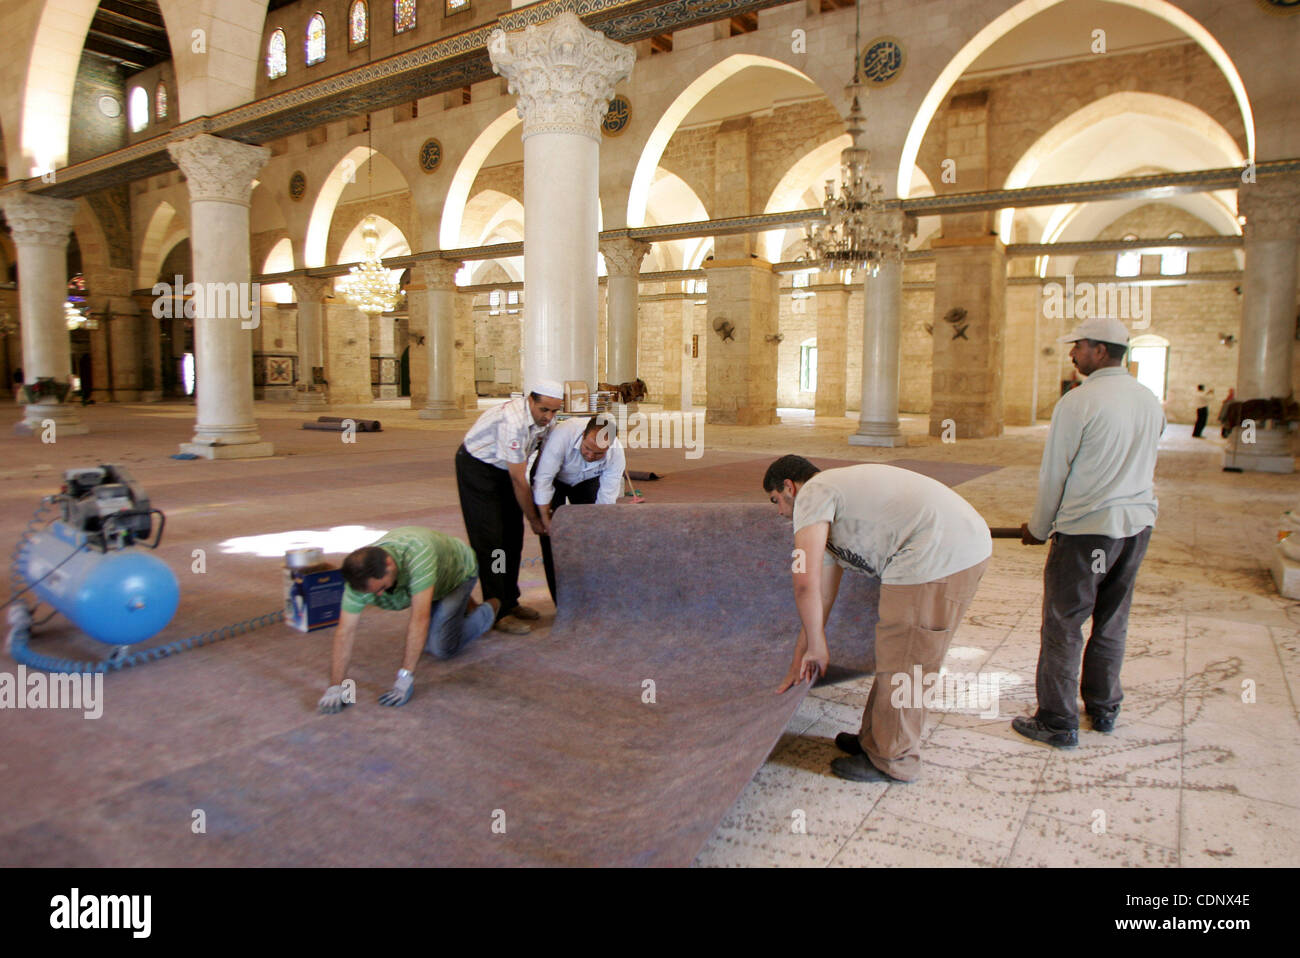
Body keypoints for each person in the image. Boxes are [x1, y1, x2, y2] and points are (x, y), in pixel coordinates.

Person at [765, 456, 991, 784]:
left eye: (776, 501)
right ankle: (875, 741)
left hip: (940, 551)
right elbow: (820, 597)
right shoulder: (831, 504)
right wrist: (803, 654)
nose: (780, 513)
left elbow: (803, 581)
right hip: (935, 546)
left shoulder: (813, 493)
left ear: (789, 486)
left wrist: (816, 645)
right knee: (896, 653)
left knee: (909, 656)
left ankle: (894, 759)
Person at [1016, 317, 1164, 747]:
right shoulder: (1148, 399)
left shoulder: (1079, 401)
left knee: (1064, 623)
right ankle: (1103, 708)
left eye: (1078, 346)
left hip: (1088, 531)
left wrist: (1040, 529)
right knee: (1113, 619)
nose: (1072, 354)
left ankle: (1057, 721)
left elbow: (1054, 475)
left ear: (1100, 351)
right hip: (1135, 528)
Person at [318, 526, 495, 713]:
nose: (378, 596)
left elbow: (419, 619)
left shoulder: (417, 555)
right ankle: (459, 606)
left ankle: (489, 611)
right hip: (431, 580)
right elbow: (345, 632)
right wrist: (335, 686)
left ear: (389, 564)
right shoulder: (359, 577)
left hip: (459, 571)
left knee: (440, 647)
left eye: (382, 587)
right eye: (374, 592)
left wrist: (404, 678)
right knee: (425, 639)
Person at [455, 380, 564, 635]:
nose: (549, 417)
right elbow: (519, 479)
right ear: (530, 401)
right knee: (492, 541)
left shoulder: (547, 423)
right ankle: (497, 610)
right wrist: (535, 520)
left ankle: (510, 600)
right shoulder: (511, 422)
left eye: (554, 411)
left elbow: (540, 470)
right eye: (544, 410)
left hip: (505, 470)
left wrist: (542, 511)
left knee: (512, 537)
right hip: (478, 470)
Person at [532, 414, 625, 602]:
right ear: (583, 435)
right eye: (588, 448)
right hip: (554, 478)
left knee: (592, 534)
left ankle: (590, 592)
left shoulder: (616, 454)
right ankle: (561, 602)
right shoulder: (562, 435)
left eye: (598, 453)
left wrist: (597, 530)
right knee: (551, 537)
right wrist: (544, 518)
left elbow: (606, 500)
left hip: (586, 479)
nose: (591, 455)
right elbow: (543, 480)